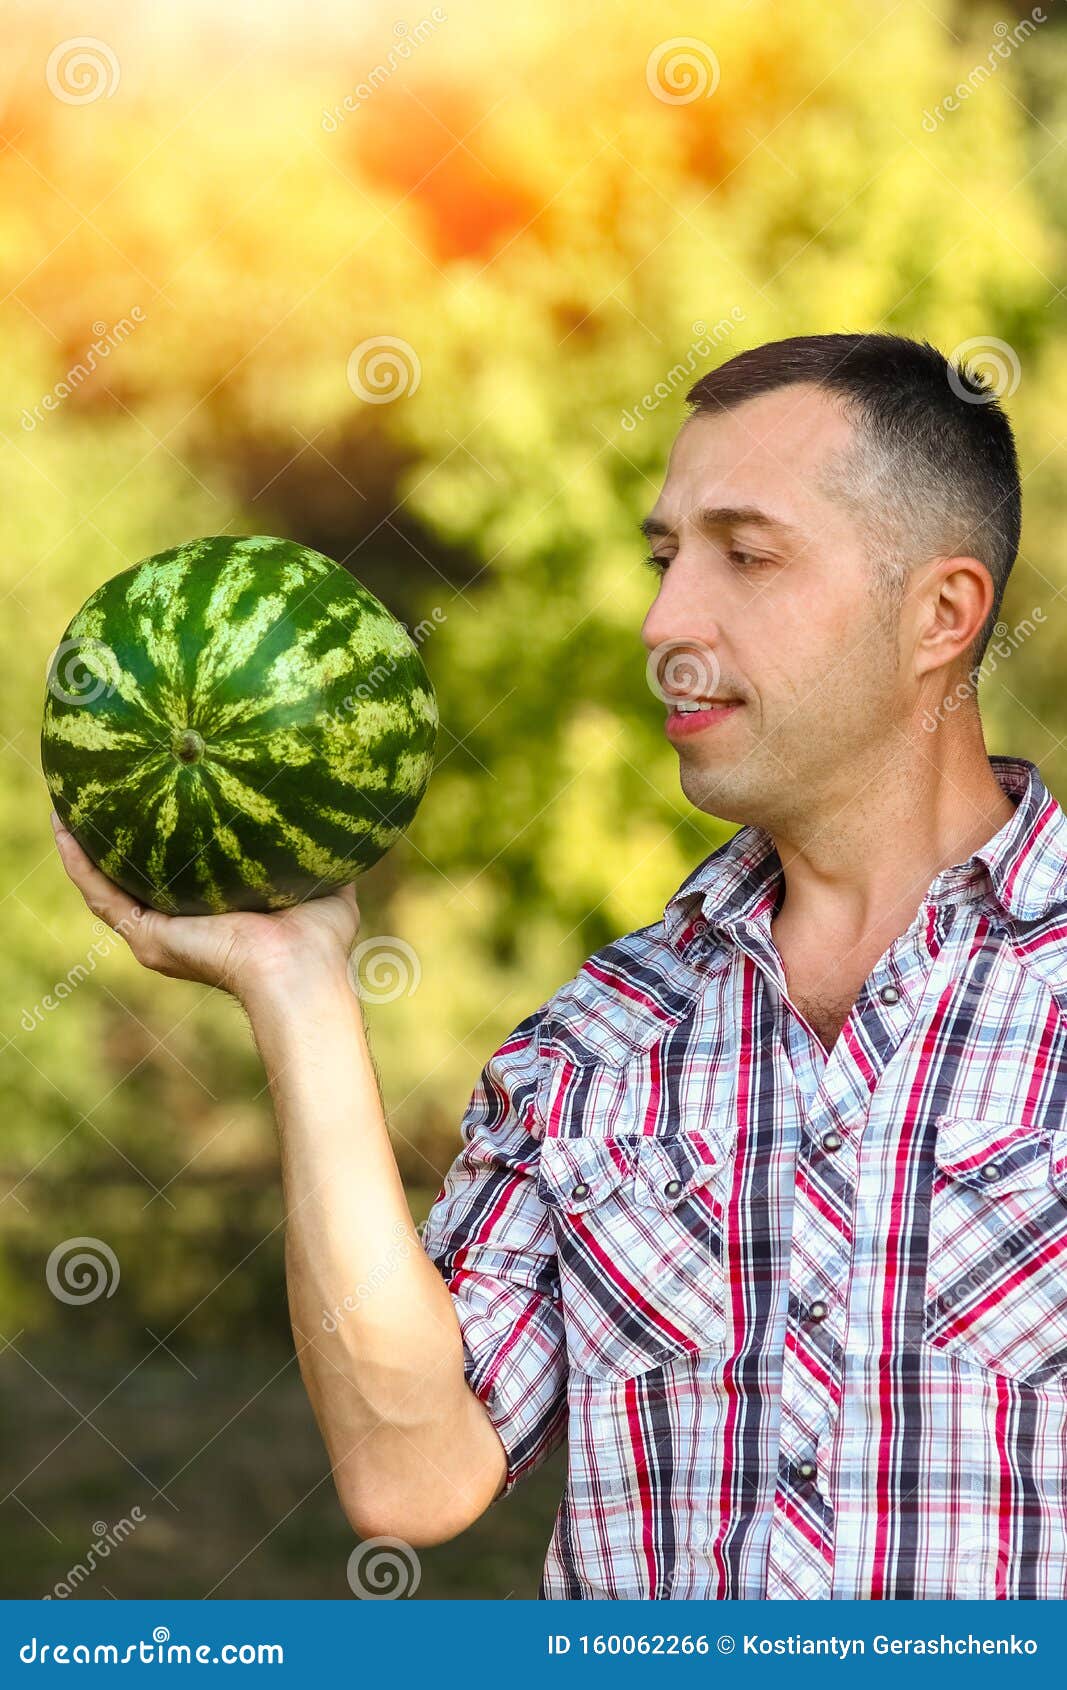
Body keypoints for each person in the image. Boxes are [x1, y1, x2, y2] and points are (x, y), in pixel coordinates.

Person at [53, 332, 1067, 1601]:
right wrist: (297, 986)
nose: (664, 622)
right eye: (663, 560)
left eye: (744, 557)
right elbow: (410, 1474)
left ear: (940, 614)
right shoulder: (593, 1041)